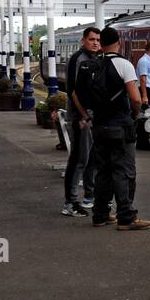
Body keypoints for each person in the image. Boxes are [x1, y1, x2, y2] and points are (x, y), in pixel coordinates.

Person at [74, 26, 150, 231]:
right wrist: (135, 114)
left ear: (101, 44)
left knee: (103, 171)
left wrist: (86, 116)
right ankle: (126, 217)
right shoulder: (124, 64)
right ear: (119, 42)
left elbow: (75, 94)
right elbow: (135, 98)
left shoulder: (92, 65)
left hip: (99, 126)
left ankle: (100, 214)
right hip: (120, 126)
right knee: (123, 171)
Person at [62, 26, 101, 217]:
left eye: (98, 40)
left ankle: (88, 196)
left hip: (91, 117)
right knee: (79, 159)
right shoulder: (78, 59)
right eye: (92, 39)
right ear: (83, 40)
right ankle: (70, 202)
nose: (95, 43)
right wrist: (83, 115)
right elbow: (72, 91)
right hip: (81, 118)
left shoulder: (95, 60)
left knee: (91, 159)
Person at [135, 40, 150, 151]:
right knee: (145, 116)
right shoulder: (144, 61)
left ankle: (144, 140)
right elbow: (143, 79)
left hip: (148, 90)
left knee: (147, 116)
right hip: (146, 90)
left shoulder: (146, 60)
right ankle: (143, 141)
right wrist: (145, 96)